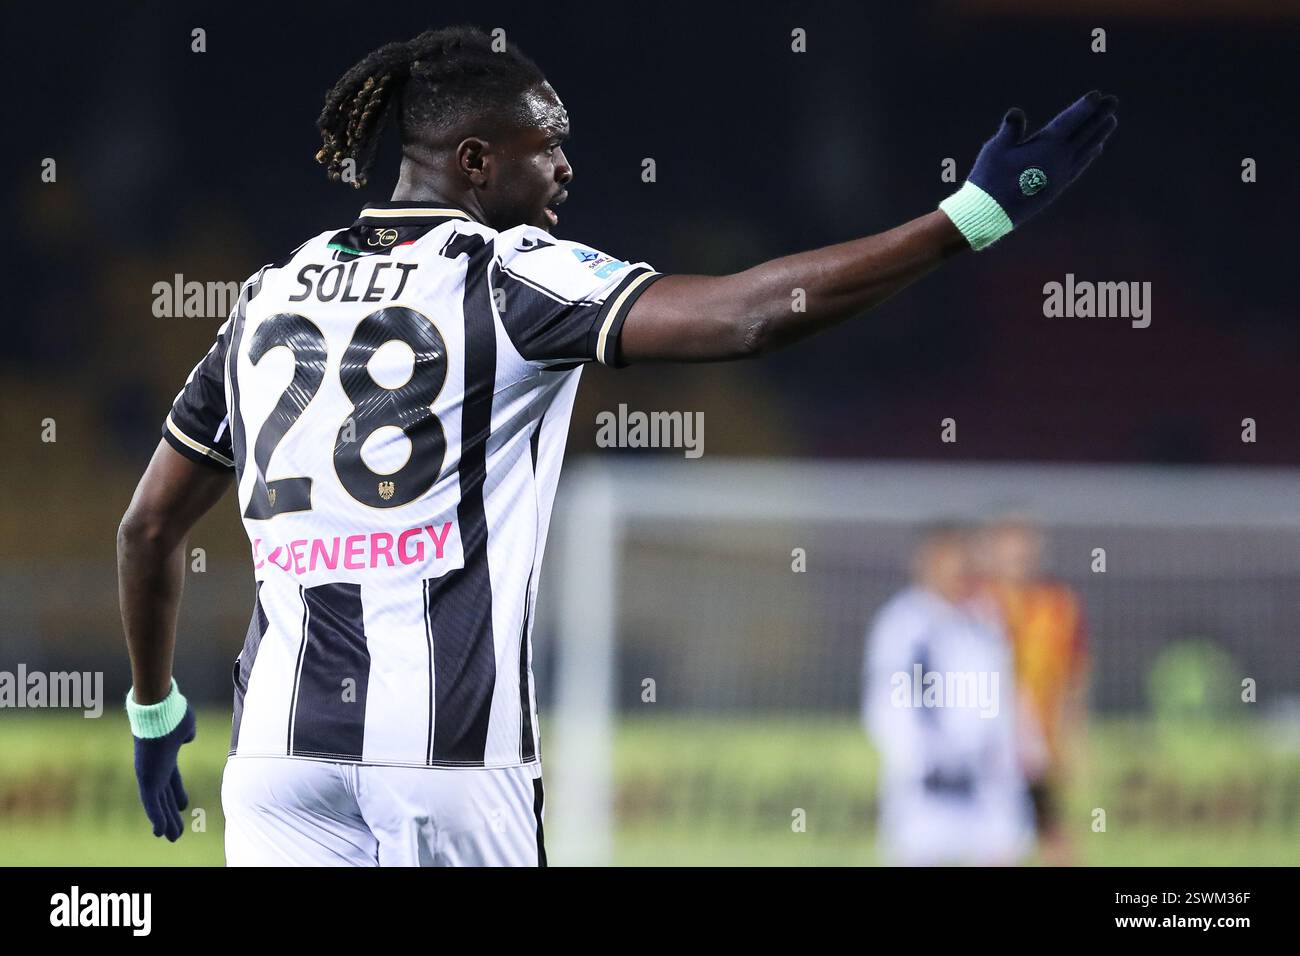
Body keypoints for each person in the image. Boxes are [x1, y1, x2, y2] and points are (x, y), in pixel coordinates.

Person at [116, 24, 1118, 865]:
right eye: (546, 145)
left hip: (275, 759)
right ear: (474, 161)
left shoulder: (265, 295)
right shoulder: (506, 274)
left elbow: (150, 526)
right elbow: (746, 316)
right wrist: (966, 218)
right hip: (449, 762)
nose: (565, 168)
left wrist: (155, 709)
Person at [862, 522, 1034, 866]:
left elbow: (1004, 699)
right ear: (927, 563)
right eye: (950, 560)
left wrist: (1020, 754)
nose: (960, 569)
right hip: (928, 790)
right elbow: (888, 707)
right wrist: (927, 762)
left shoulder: (985, 620)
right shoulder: (904, 623)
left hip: (987, 789)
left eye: (965, 560)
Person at [979, 514, 1088, 865]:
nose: (1019, 559)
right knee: (995, 845)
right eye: (1010, 551)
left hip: (1037, 747)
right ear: (991, 552)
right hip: (989, 748)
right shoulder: (975, 602)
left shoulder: (1058, 605)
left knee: (1057, 842)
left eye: (1026, 550)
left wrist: (1073, 741)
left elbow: (1073, 681)